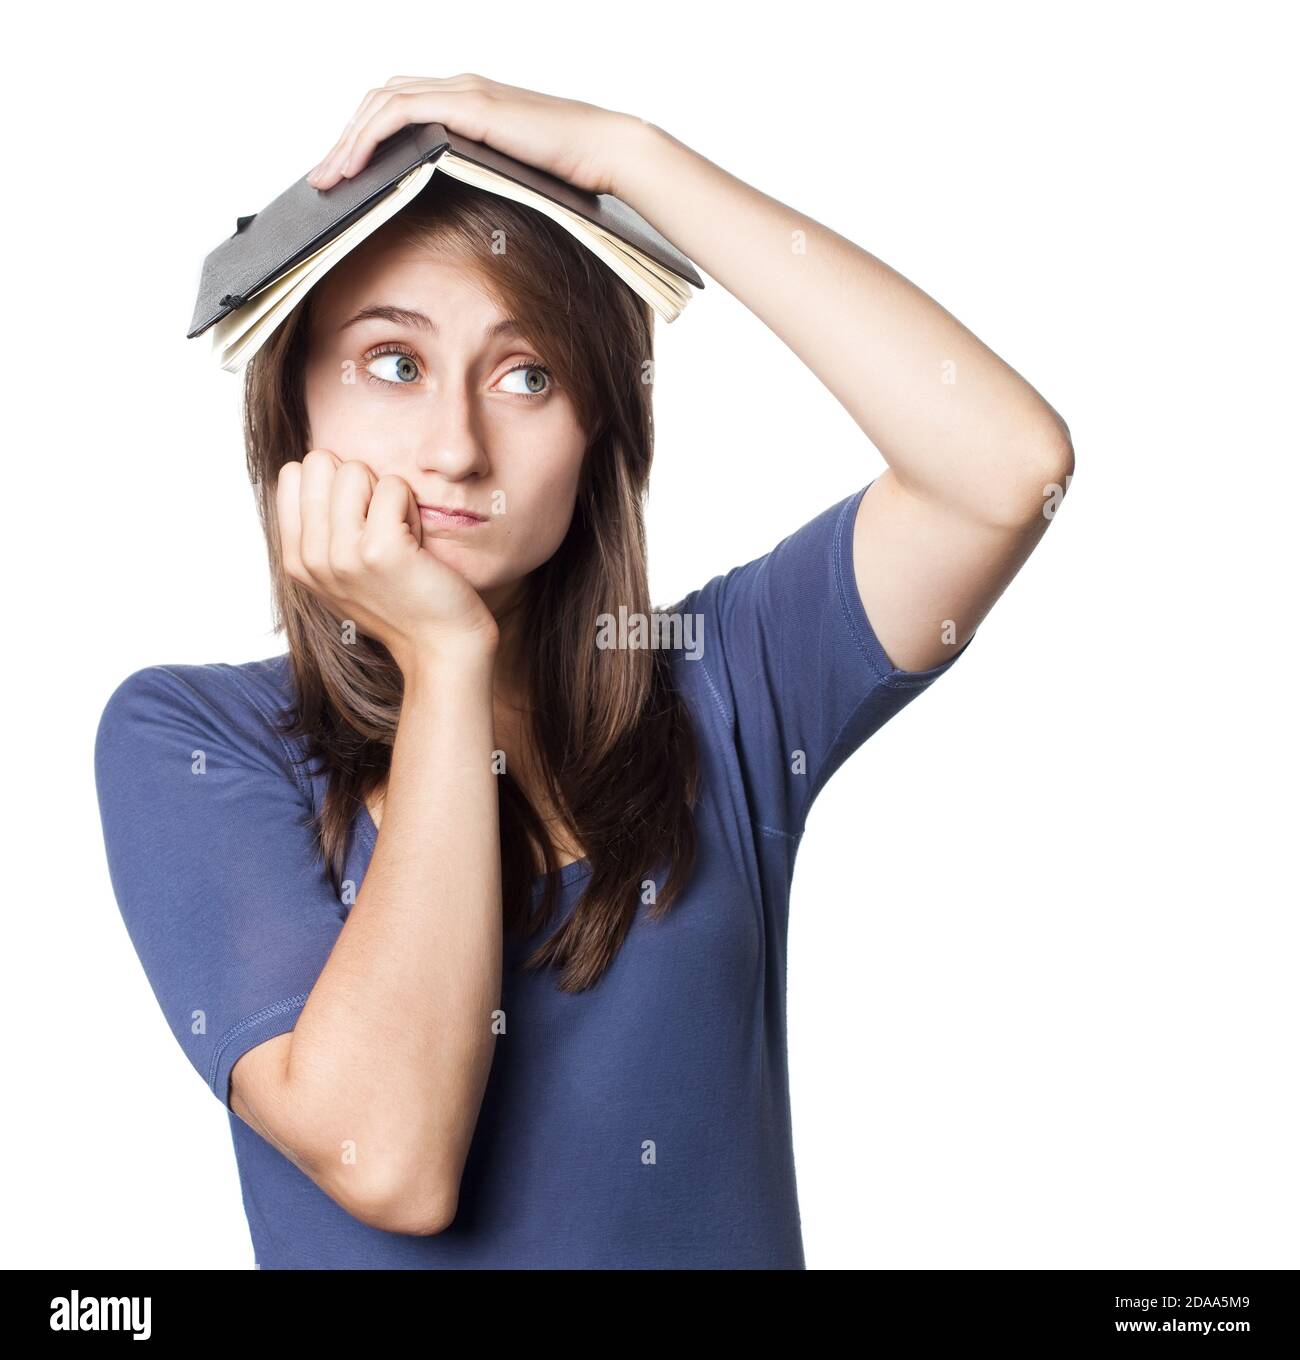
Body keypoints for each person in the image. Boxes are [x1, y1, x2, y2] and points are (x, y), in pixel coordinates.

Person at [93, 74, 1073, 1269]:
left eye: (528, 376)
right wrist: (446, 658)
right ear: (293, 400)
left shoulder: (717, 688)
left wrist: (633, 156)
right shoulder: (197, 737)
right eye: (392, 364)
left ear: (597, 429)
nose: (456, 446)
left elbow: (1006, 468)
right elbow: (388, 1163)